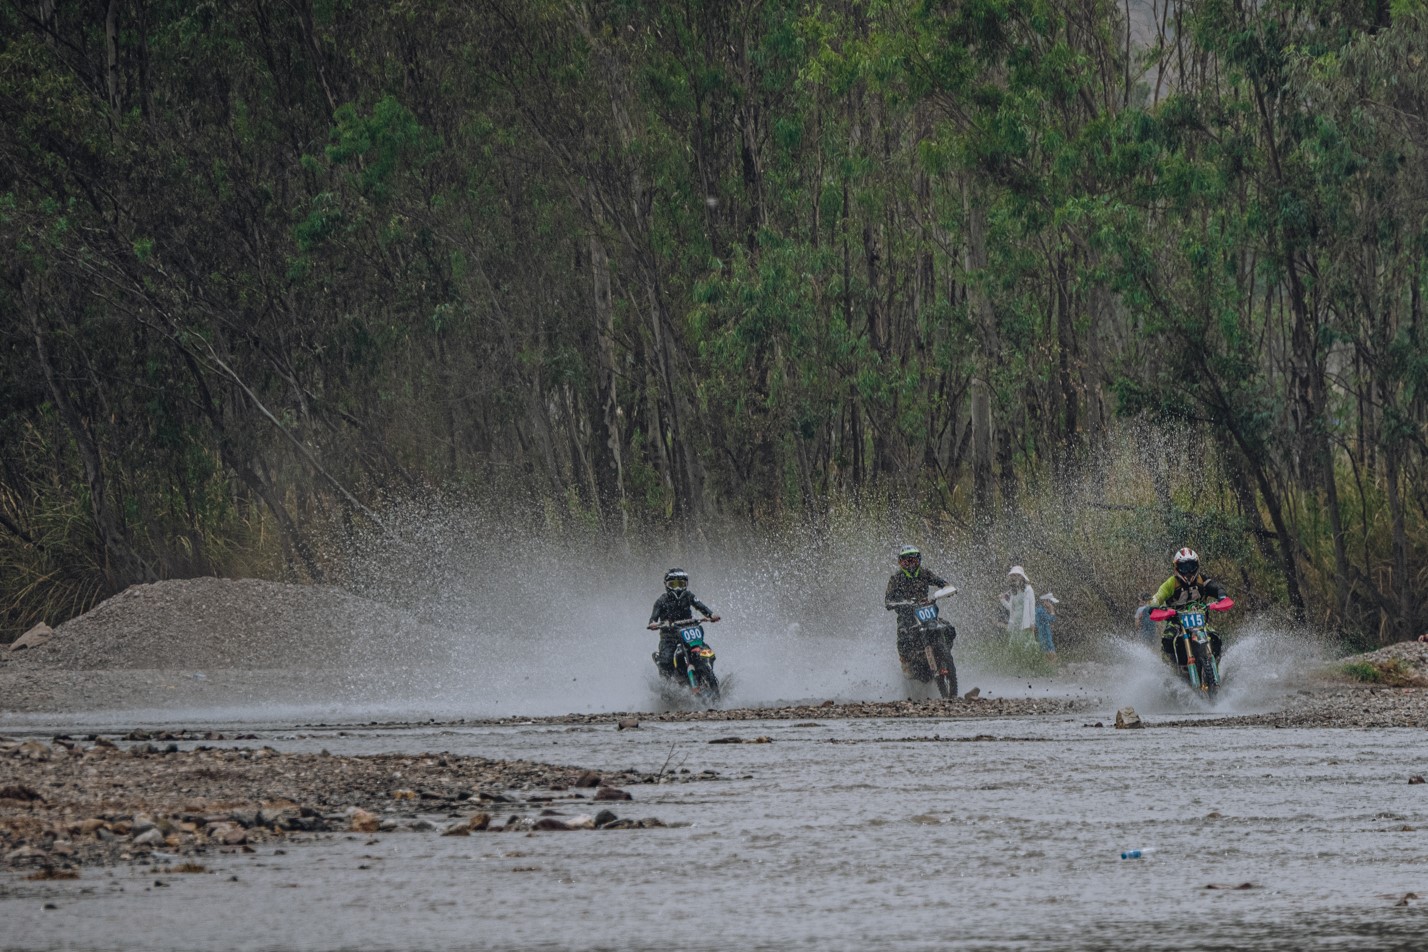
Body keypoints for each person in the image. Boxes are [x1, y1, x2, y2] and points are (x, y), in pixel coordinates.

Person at [1149, 547, 1229, 666]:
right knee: (1168, 639)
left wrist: (1222, 596)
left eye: (1191, 566)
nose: (1188, 571)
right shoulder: (1171, 583)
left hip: (1200, 623)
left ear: (1197, 565)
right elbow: (1158, 596)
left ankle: (1215, 664)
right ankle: (1169, 670)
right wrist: (1154, 606)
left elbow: (1216, 587)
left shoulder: (1202, 580)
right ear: (1177, 568)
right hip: (1176, 621)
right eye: (1184, 567)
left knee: (1215, 637)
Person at [883, 545, 952, 678]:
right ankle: (905, 662)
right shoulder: (896, 578)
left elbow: (941, 582)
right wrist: (898, 603)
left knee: (948, 628)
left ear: (918, 561)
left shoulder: (925, 573)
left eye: (913, 560)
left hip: (926, 612)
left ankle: (945, 656)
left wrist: (948, 588)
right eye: (906, 561)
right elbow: (888, 600)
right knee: (903, 635)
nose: (910, 564)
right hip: (906, 615)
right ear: (901, 562)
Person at [647, 568, 719, 679]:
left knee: (707, 651)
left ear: (686, 584)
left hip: (689, 633)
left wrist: (711, 615)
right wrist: (654, 624)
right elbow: (653, 619)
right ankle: (666, 689)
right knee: (666, 662)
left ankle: (706, 671)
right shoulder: (661, 600)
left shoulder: (689, 596)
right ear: (666, 585)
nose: (677, 588)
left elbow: (700, 606)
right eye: (673, 584)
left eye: (680, 584)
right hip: (669, 637)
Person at [1000, 565, 1036, 643]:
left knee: (1025, 644)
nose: (1015, 578)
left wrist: (1032, 623)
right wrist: (1003, 600)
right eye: (1013, 576)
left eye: (1017, 575)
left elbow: (1032, 607)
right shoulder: (1014, 592)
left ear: (1022, 577)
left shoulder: (1028, 590)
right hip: (1015, 622)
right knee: (1014, 644)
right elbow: (1011, 608)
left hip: (1024, 622)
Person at [1035, 592, 1059, 658]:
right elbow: (1050, 619)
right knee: (1053, 657)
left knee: (1048, 657)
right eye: (1051, 603)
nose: (1052, 605)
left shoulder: (1040, 609)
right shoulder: (1040, 611)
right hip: (1045, 636)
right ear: (1045, 601)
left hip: (1044, 636)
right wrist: (1052, 610)